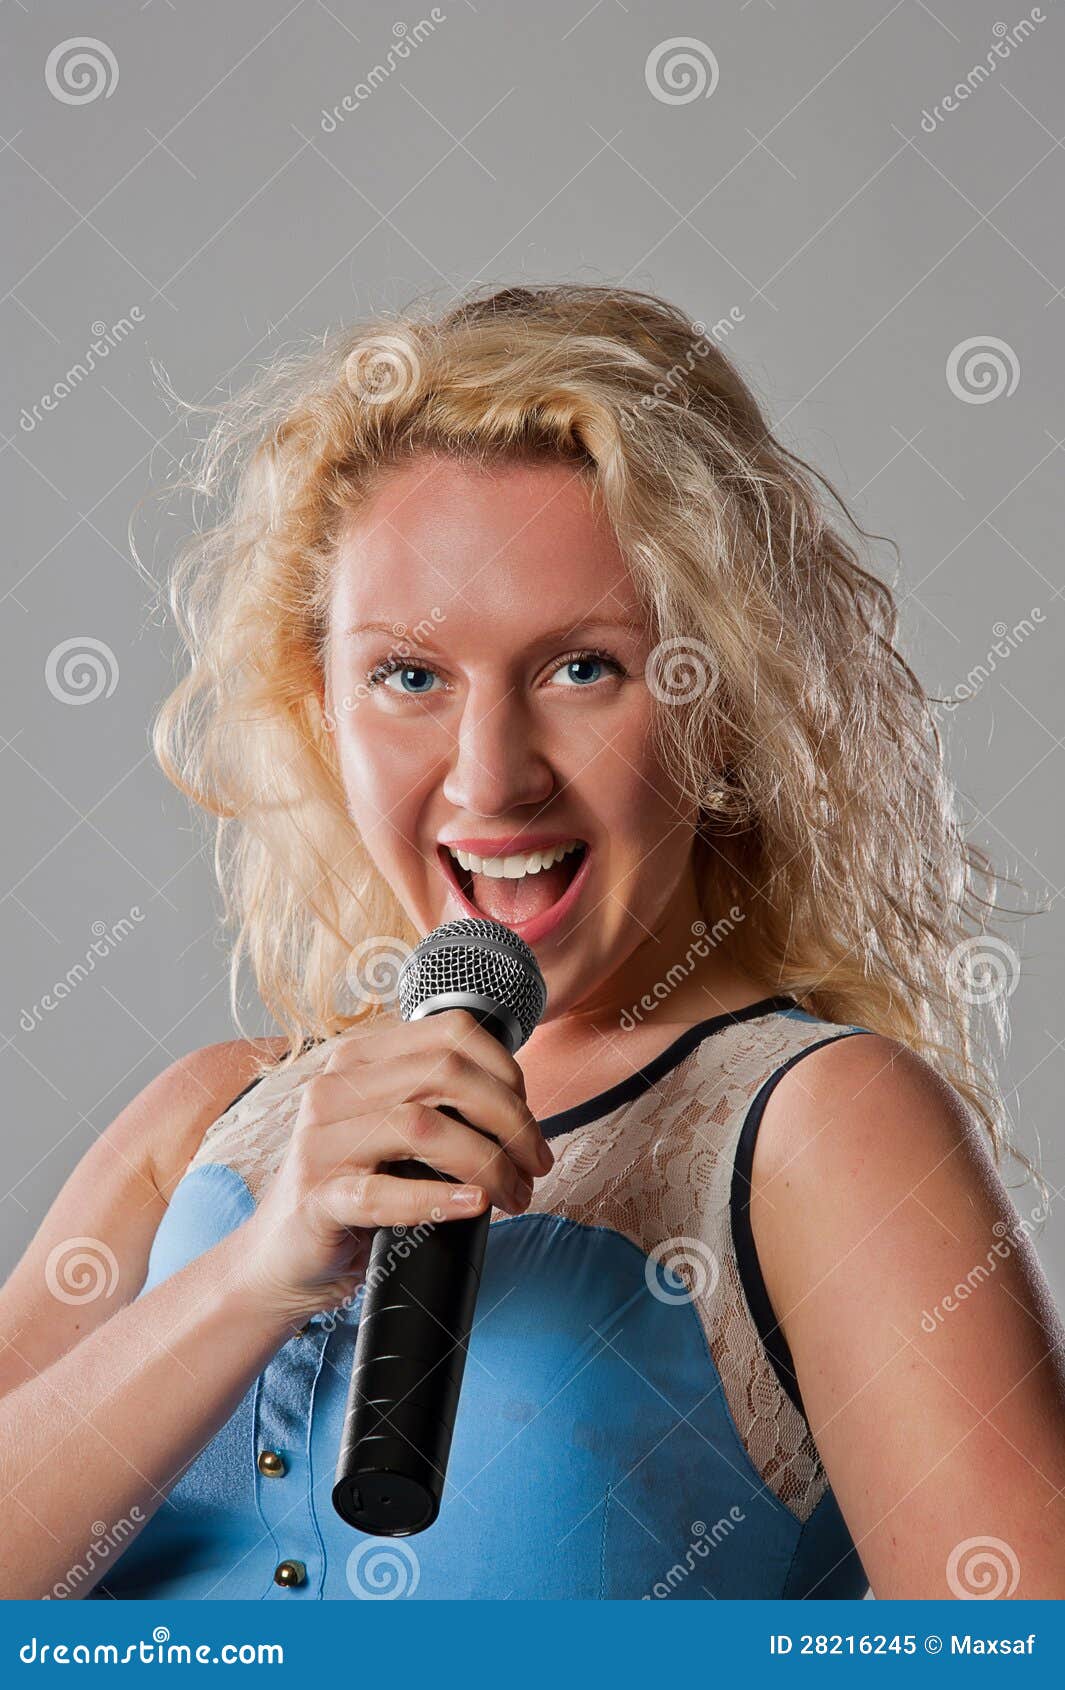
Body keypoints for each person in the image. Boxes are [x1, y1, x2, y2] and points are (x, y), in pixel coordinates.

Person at [2, 283, 1063, 1601]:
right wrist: (254, 1276)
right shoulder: (205, 1121)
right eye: (408, 675)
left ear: (715, 703)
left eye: (580, 669)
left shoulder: (817, 1127)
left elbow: (1007, 1651)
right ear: (317, 702)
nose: (491, 778)